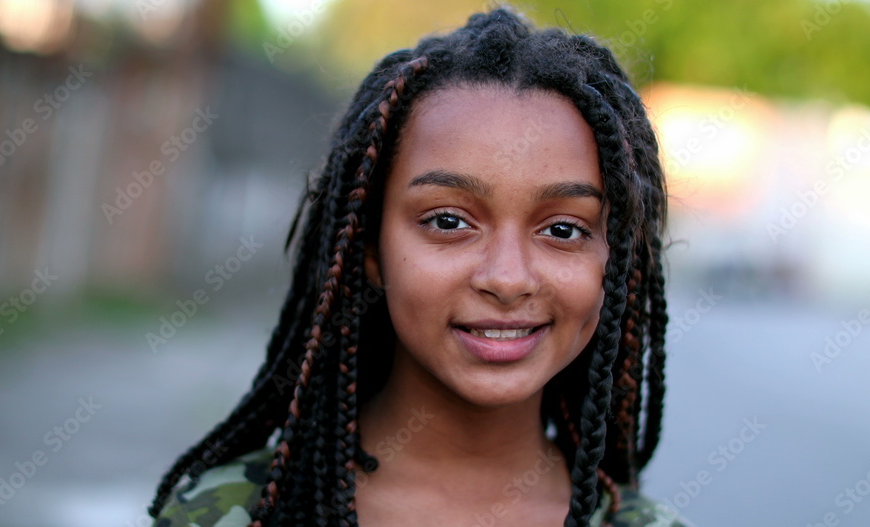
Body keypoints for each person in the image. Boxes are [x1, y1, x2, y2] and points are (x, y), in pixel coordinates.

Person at [149, 6, 682, 527]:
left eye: (563, 230)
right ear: (371, 249)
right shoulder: (225, 514)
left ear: (616, 262)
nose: (507, 279)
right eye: (448, 221)